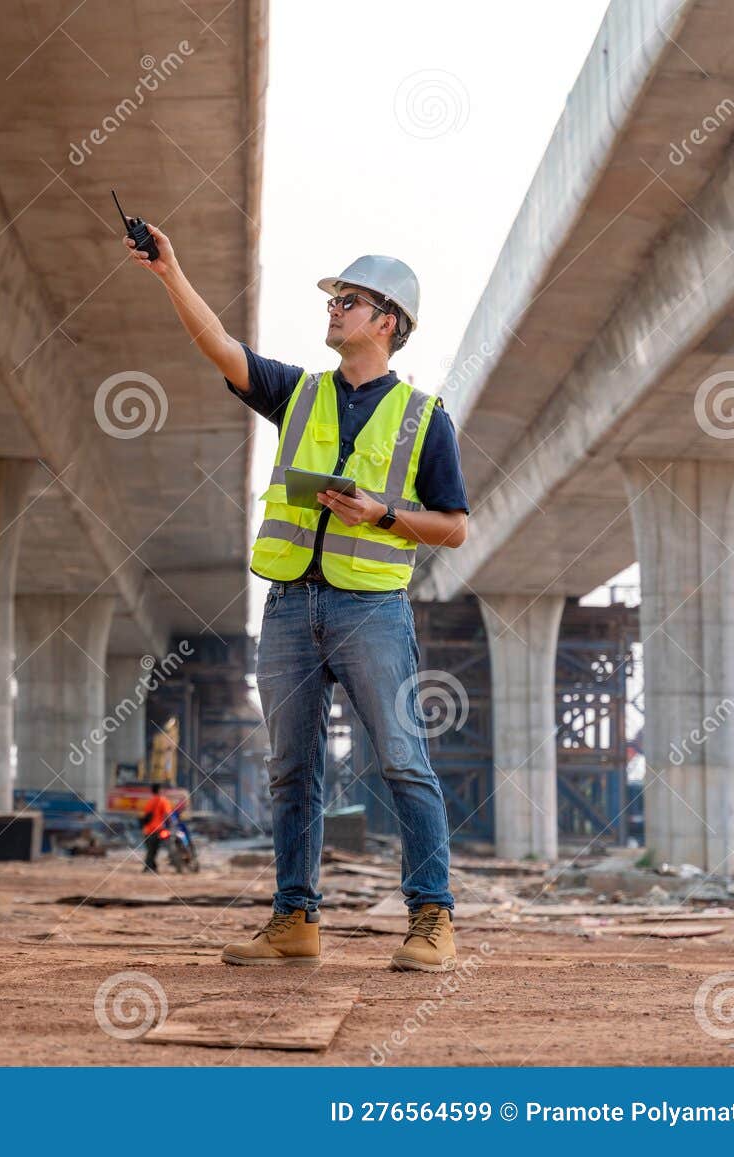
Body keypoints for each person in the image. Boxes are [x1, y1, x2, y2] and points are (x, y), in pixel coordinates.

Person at [125, 230, 469, 973]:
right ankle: (294, 918)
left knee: (404, 761)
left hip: (372, 611)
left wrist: (379, 512)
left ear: (388, 321)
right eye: (333, 298)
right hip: (288, 610)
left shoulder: (422, 416)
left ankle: (432, 918)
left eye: (349, 300)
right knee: (291, 770)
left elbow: (455, 527)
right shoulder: (302, 393)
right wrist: (170, 271)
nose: (335, 308)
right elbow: (218, 345)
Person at [139, 785, 176, 874]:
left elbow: (145, 815)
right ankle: (148, 868)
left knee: (151, 850)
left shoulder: (149, 802)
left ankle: (151, 867)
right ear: (160, 790)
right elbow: (168, 815)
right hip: (158, 829)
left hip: (147, 830)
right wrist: (172, 825)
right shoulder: (163, 801)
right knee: (155, 850)